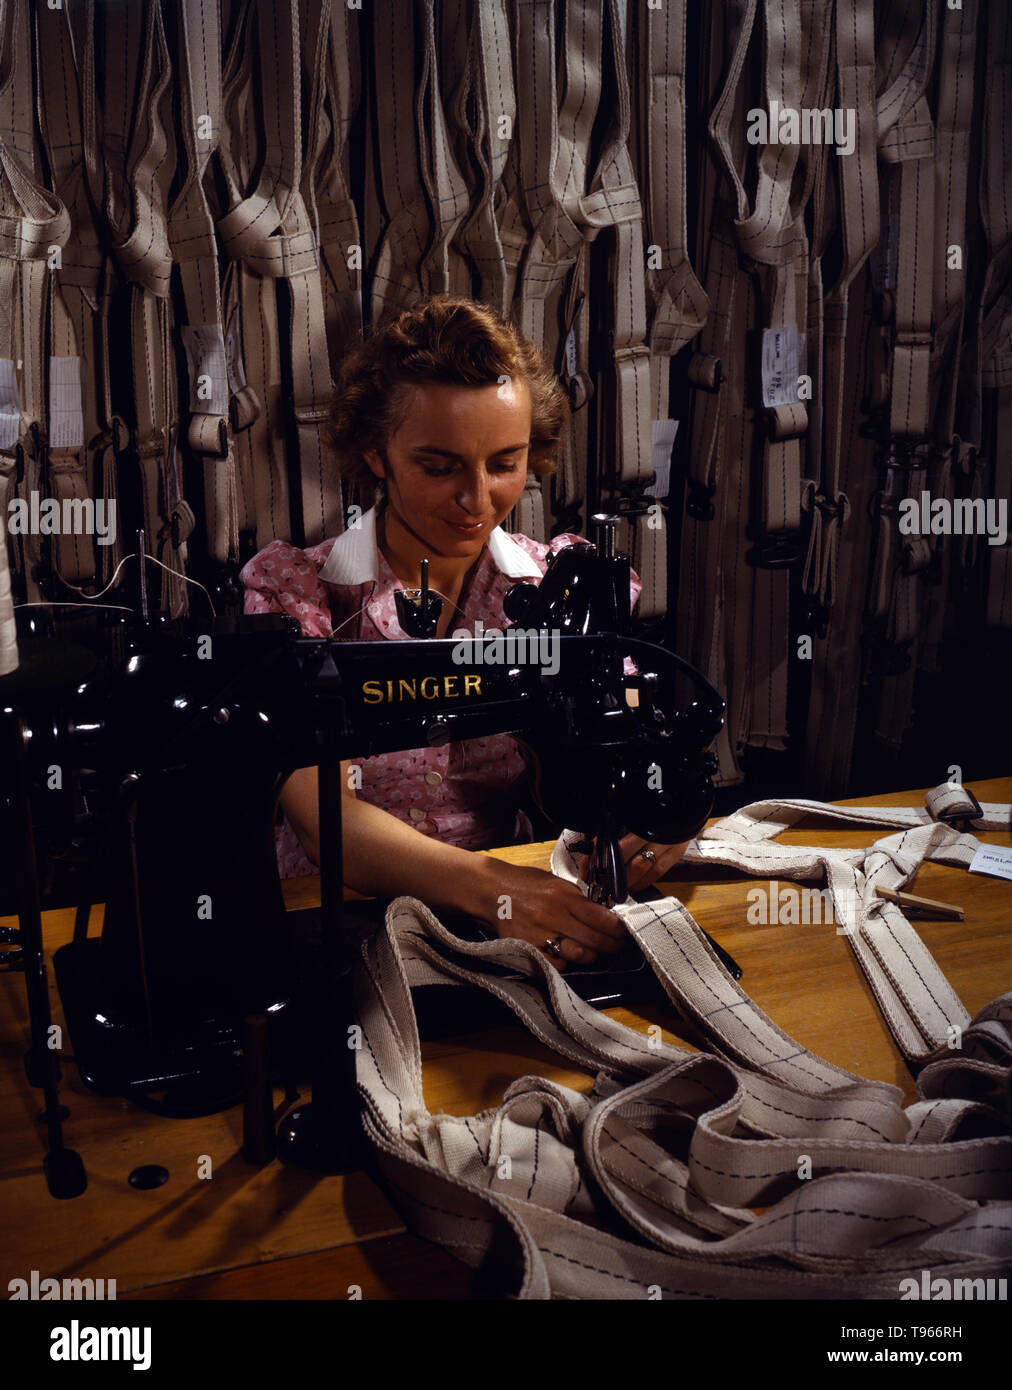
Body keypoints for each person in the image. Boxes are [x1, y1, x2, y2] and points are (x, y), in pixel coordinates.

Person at [241, 296, 688, 969]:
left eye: (504, 463)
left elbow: (627, 744)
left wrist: (655, 820)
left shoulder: (558, 587)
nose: (477, 500)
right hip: (331, 910)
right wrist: (494, 893)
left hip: (522, 899)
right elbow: (322, 818)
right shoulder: (297, 595)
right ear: (377, 454)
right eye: (441, 466)